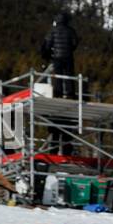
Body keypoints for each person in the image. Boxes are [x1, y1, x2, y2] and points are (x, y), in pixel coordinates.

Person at [40, 11, 79, 154]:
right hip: (68, 56)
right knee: (68, 76)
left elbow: (47, 43)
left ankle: (57, 92)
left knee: (58, 76)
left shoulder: (53, 30)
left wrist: (49, 52)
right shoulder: (70, 30)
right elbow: (75, 42)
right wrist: (69, 49)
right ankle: (69, 93)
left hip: (56, 57)